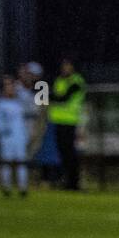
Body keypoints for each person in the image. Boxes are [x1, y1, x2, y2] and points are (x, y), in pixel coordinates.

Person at [48, 58, 85, 190]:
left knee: (70, 153)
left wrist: (48, 96)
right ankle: (67, 181)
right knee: (62, 152)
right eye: (64, 66)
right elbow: (54, 96)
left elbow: (63, 98)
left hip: (70, 121)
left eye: (68, 66)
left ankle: (74, 182)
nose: (65, 68)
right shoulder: (59, 80)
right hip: (58, 121)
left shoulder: (76, 81)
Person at [0, 75, 30, 197]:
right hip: (6, 138)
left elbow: (31, 99)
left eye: (11, 86)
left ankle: (23, 188)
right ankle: (6, 188)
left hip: (20, 138)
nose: (10, 89)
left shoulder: (20, 102)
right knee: (6, 162)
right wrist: (3, 131)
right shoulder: (1, 103)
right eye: (7, 86)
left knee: (21, 162)